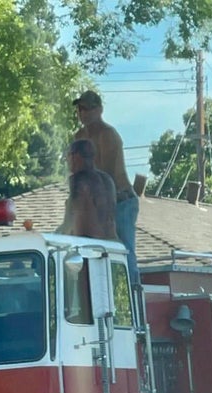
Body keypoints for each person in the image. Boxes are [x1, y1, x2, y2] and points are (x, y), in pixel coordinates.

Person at [73, 90, 141, 282]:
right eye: (80, 108)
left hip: (121, 201)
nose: (83, 112)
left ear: (100, 110)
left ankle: (133, 291)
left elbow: (106, 176)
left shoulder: (109, 135)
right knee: (91, 250)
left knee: (124, 249)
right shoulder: (78, 137)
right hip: (96, 204)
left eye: (88, 108)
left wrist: (101, 209)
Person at [57, 138, 118, 241]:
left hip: (88, 246)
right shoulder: (107, 180)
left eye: (68, 155)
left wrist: (55, 238)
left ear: (75, 156)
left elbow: (75, 223)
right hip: (113, 244)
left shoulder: (80, 181)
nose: (67, 160)